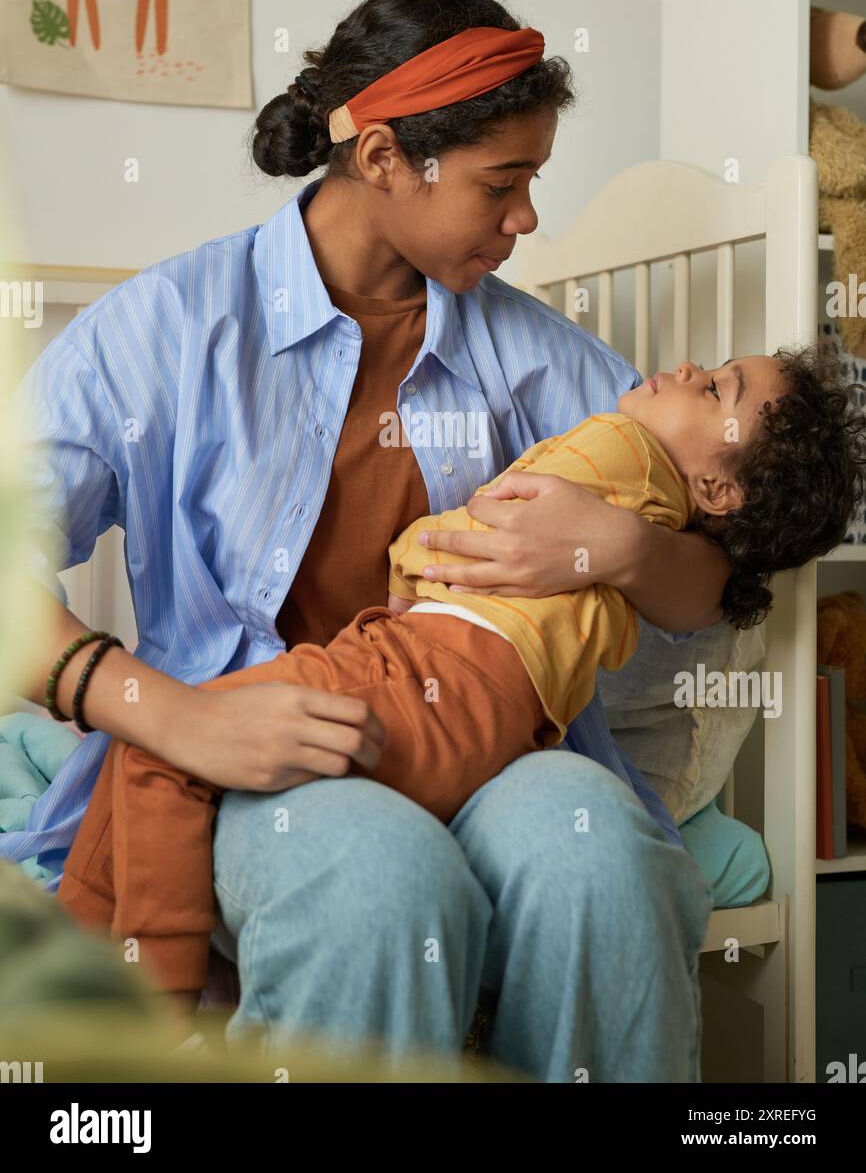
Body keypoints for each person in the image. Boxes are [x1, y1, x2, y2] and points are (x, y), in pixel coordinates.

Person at [7, 0, 733, 1082]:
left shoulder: (540, 358)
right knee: (383, 887)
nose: (527, 218)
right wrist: (176, 717)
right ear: (384, 156)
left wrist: (616, 547)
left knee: (604, 867)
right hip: (267, 753)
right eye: (504, 182)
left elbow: (715, 587)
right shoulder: (167, 329)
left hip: (499, 745)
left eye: (532, 181)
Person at [54, 347, 866, 1008]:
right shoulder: (648, 483)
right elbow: (713, 581)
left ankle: (140, 1015)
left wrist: (409, 571)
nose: (688, 368)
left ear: (719, 489)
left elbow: (484, 526)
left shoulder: (621, 446)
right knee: (161, 748)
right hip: (482, 714)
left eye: (718, 384)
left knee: (157, 743)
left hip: (431, 675)